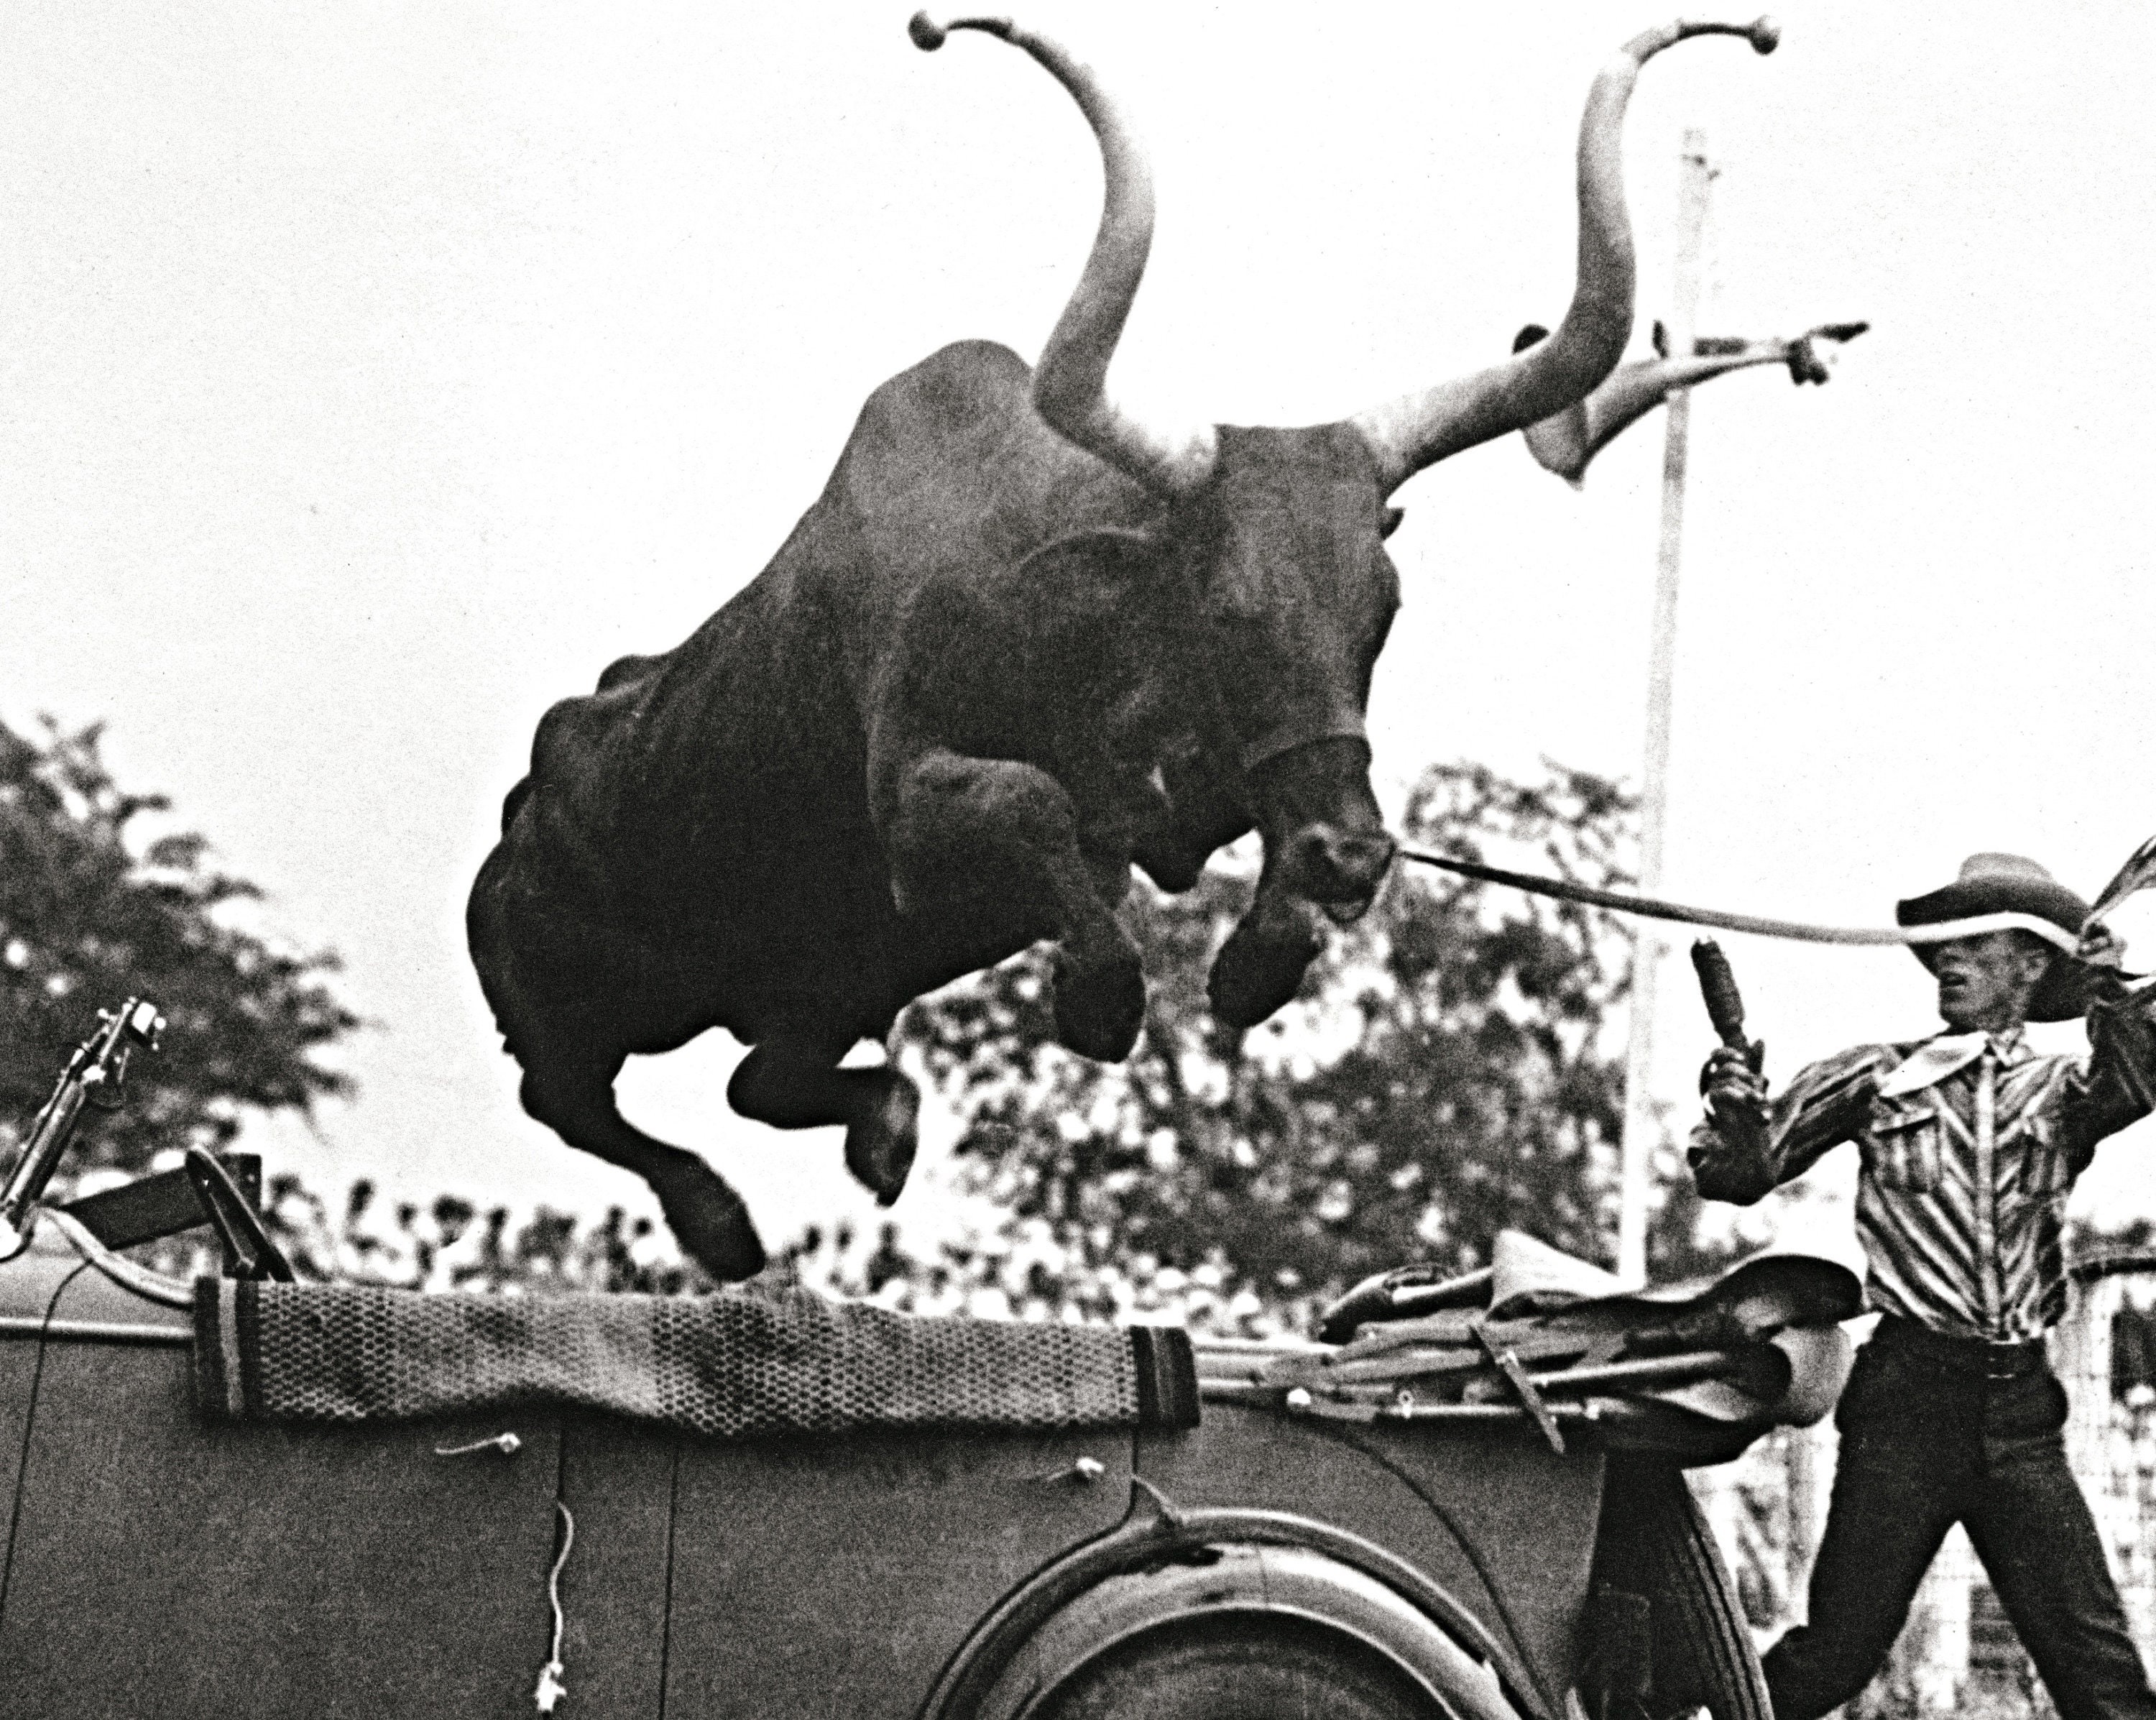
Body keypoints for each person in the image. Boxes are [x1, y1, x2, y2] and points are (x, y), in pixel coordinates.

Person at [1690, 851, 2156, 1720]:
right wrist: (1736, 1111)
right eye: (1943, 942)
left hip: (2020, 1413)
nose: (1948, 956)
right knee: (1834, 1657)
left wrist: (2107, 982)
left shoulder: (2063, 1091)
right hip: (1907, 1399)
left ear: (2031, 965)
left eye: (1974, 942)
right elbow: (1741, 1173)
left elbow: (2139, 1071)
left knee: (2103, 1681)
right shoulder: (1877, 1076)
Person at [1514, 317, 1866, 486]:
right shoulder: (1544, 403)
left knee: (1668, 370)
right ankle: (1783, 351)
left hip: (1571, 432)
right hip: (1566, 439)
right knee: (1666, 373)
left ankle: (1780, 350)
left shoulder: (1564, 394)